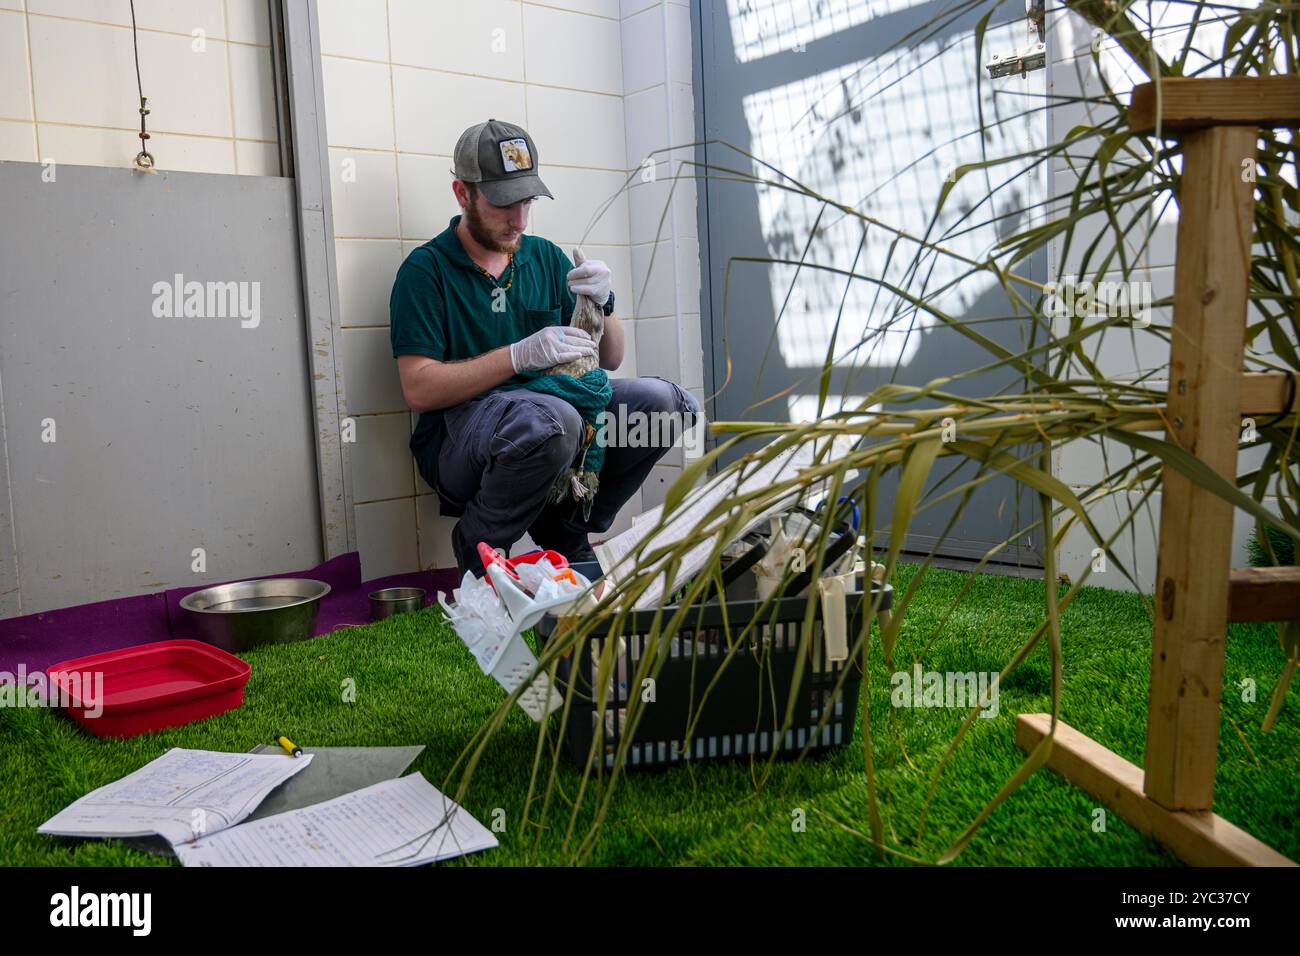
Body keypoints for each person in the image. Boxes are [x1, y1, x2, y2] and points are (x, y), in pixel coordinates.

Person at [389, 119, 701, 578]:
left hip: (551, 424)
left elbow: (611, 358)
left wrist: (604, 302)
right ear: (462, 193)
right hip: (462, 440)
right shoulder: (426, 271)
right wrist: (517, 356)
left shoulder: (545, 257)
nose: (519, 219)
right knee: (553, 421)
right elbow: (418, 389)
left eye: (526, 202)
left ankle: (566, 525)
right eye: (502, 204)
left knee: (664, 406)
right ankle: (479, 547)